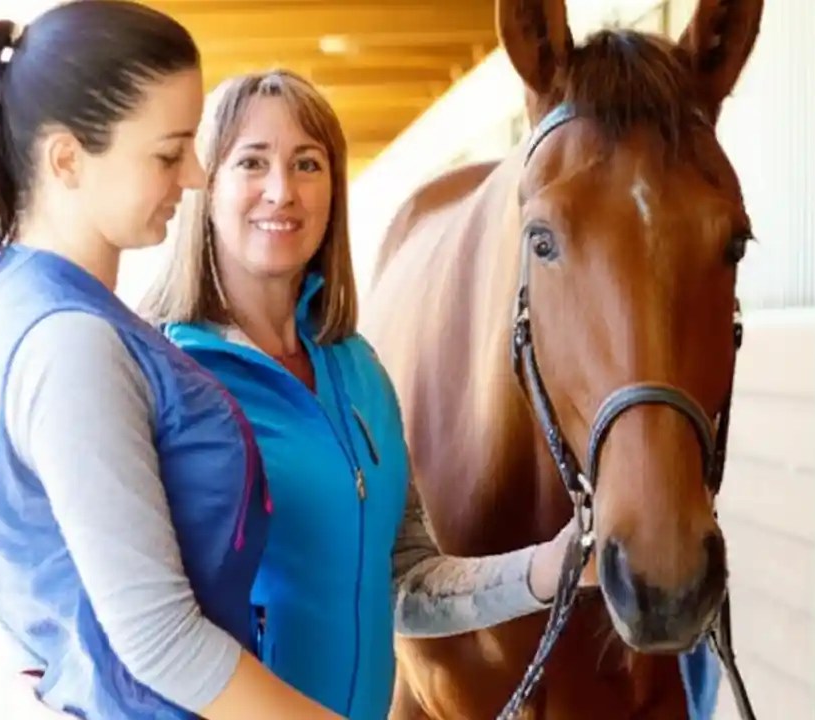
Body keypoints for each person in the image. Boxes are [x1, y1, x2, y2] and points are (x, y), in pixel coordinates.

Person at [133, 68, 586, 719]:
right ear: (209, 185)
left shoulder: (360, 371)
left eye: (307, 164)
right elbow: (144, 625)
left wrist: (554, 567)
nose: (282, 191)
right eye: (252, 163)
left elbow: (406, 584)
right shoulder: (167, 373)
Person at [0, 2, 341, 718]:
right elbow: (157, 638)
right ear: (67, 158)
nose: (193, 175)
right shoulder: (70, 343)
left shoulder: (53, 307)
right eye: (168, 153)